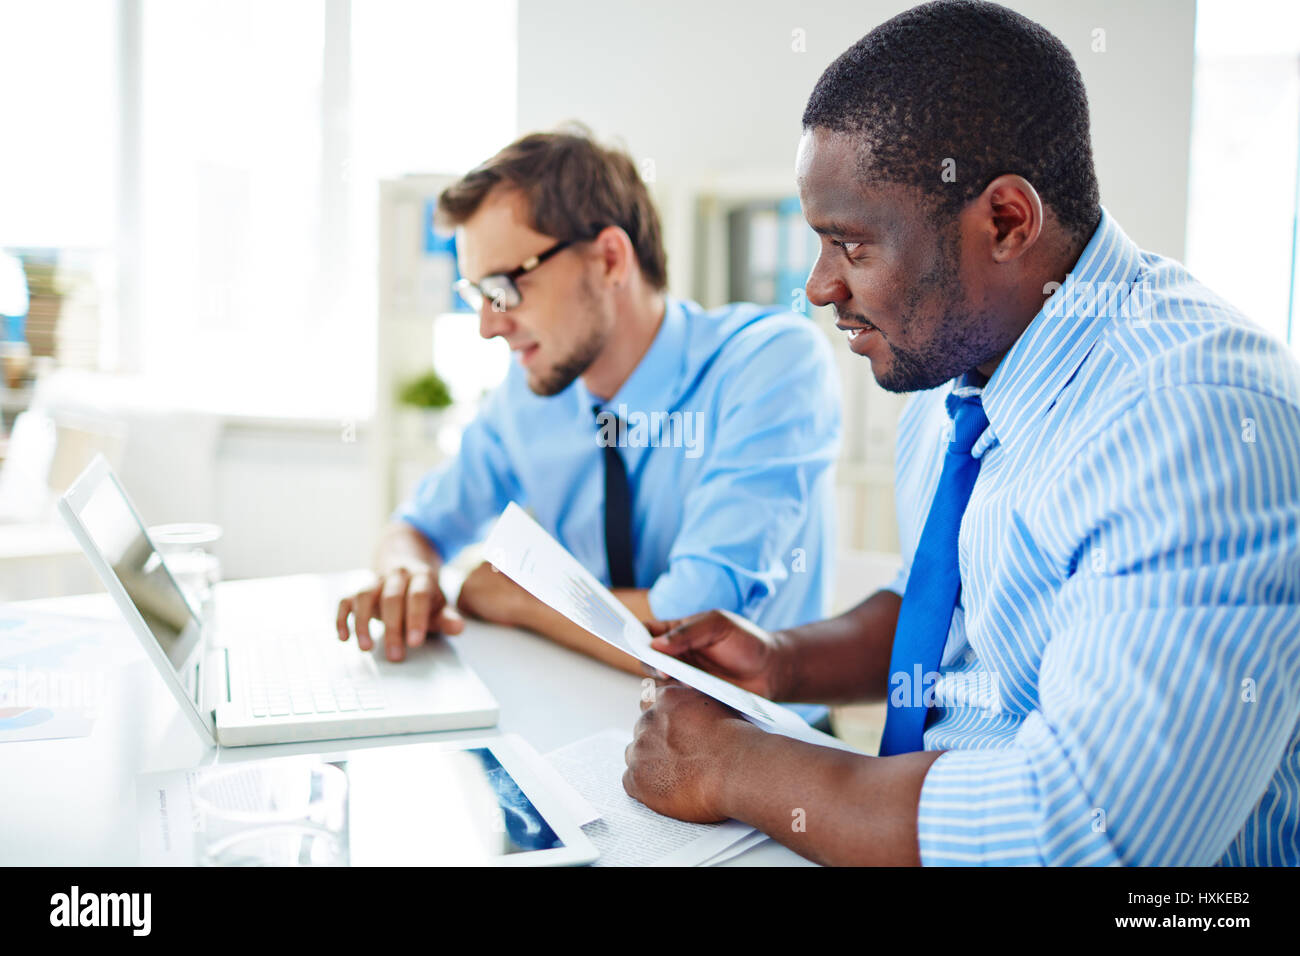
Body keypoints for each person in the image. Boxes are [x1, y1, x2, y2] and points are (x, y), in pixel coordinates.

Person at [623, 0, 1300, 866]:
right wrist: (784, 663)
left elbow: (1090, 832)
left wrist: (733, 766)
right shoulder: (960, 372)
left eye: (852, 245)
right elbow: (940, 607)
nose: (820, 285)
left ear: (1008, 223)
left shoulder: (1192, 420)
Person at [336, 129, 841, 713]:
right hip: (587, 713)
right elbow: (419, 526)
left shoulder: (771, 363)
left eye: (503, 288)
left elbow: (694, 634)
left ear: (608, 259)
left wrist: (518, 596)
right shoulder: (531, 394)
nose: (487, 326)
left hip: (761, 748)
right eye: (475, 294)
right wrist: (408, 574)